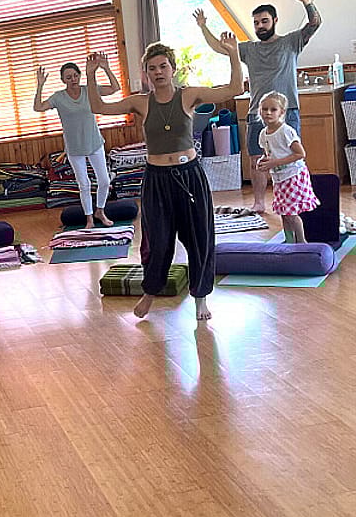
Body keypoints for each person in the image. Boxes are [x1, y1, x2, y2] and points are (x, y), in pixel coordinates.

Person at [86, 36, 243, 322]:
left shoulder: (189, 95)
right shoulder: (140, 103)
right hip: (157, 179)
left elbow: (234, 89)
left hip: (189, 176)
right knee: (157, 240)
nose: (158, 72)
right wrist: (92, 73)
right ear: (146, 74)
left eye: (163, 66)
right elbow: (100, 107)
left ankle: (200, 296)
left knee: (199, 238)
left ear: (173, 69)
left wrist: (233, 53)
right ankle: (151, 291)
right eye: (152, 68)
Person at [195, 0, 322, 212]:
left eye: (264, 21)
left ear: (274, 21)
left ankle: (297, 200)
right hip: (256, 114)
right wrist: (204, 27)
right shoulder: (249, 49)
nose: (260, 26)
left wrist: (307, 2)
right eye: (256, 23)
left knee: (292, 157)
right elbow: (220, 48)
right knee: (256, 159)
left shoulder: (291, 42)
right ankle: (259, 202)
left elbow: (315, 23)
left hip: (287, 111)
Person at [34, 60, 119, 228]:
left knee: (104, 180)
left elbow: (114, 88)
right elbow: (38, 107)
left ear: (80, 75)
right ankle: (89, 219)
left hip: (94, 142)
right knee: (84, 184)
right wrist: (40, 86)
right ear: (63, 80)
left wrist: (106, 68)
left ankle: (100, 211)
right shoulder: (58, 97)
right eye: (68, 77)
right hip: (74, 148)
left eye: (75, 75)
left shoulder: (90, 90)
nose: (73, 79)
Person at [255, 92, 319, 242]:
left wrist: (274, 163)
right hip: (279, 178)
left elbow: (300, 154)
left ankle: (302, 242)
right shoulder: (263, 134)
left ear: (282, 112)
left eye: (273, 109)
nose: (268, 113)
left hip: (294, 175)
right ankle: (289, 240)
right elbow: (269, 154)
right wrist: (263, 161)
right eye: (265, 109)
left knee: (291, 212)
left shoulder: (286, 131)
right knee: (284, 212)